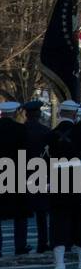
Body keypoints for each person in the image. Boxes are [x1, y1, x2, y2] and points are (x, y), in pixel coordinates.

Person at [46, 101, 81, 269]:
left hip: (58, 184)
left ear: (60, 114)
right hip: (79, 183)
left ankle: (59, 264)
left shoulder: (50, 135)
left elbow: (44, 161)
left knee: (58, 223)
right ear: (75, 115)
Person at [0, 101, 33, 256]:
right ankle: (20, 245)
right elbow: (26, 154)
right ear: (14, 113)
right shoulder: (21, 130)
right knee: (20, 213)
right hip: (16, 173)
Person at [23, 100, 51, 252]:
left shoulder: (21, 131)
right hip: (40, 173)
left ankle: (20, 244)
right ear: (38, 114)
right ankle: (43, 242)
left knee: (21, 212)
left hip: (21, 172)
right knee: (41, 212)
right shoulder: (45, 131)